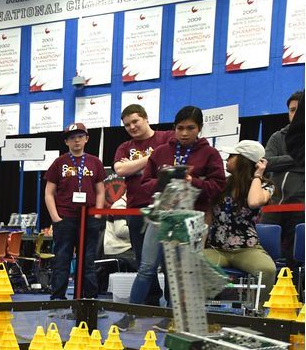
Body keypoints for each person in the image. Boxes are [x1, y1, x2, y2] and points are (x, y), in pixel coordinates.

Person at [127, 106, 226, 310]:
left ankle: (174, 317)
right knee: (146, 268)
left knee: (180, 272)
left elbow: (218, 187)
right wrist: (163, 182)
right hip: (161, 217)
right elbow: (144, 183)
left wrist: (193, 181)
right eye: (180, 128)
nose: (184, 133)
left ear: (199, 128)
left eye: (190, 128)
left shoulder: (210, 154)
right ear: (174, 128)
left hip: (191, 220)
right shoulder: (162, 151)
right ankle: (129, 312)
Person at [113, 104, 172, 303]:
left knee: (169, 258)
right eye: (127, 124)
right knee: (143, 259)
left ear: (146, 118)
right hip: (136, 209)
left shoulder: (167, 137)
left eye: (135, 121)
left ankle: (173, 302)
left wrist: (135, 167)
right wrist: (153, 159)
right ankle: (150, 300)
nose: (132, 127)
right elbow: (120, 170)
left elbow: (171, 164)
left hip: (166, 208)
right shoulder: (124, 147)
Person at [205, 140, 276, 297]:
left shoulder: (265, 186)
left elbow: (254, 202)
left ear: (244, 160)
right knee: (191, 265)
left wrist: (257, 175)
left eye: (232, 156)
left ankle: (257, 313)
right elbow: (208, 218)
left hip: (247, 249)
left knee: (268, 270)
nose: (227, 159)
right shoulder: (220, 184)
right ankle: (202, 311)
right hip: (216, 248)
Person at [43, 122, 106, 300]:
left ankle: (88, 298)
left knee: (87, 260)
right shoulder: (59, 163)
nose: (76, 140)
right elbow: (49, 193)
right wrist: (56, 218)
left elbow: (101, 191)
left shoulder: (95, 162)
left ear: (86, 139)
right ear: (66, 142)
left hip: (89, 219)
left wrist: (98, 213)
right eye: (72, 138)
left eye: (80, 137)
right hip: (65, 218)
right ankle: (57, 298)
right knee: (62, 259)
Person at [263, 90, 304, 266]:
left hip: (301, 206)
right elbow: (267, 162)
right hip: (273, 205)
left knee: (295, 259)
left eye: (299, 109)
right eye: (292, 110)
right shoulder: (277, 137)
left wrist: (282, 162)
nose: (295, 114)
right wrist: (297, 158)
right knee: (264, 254)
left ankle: (296, 292)